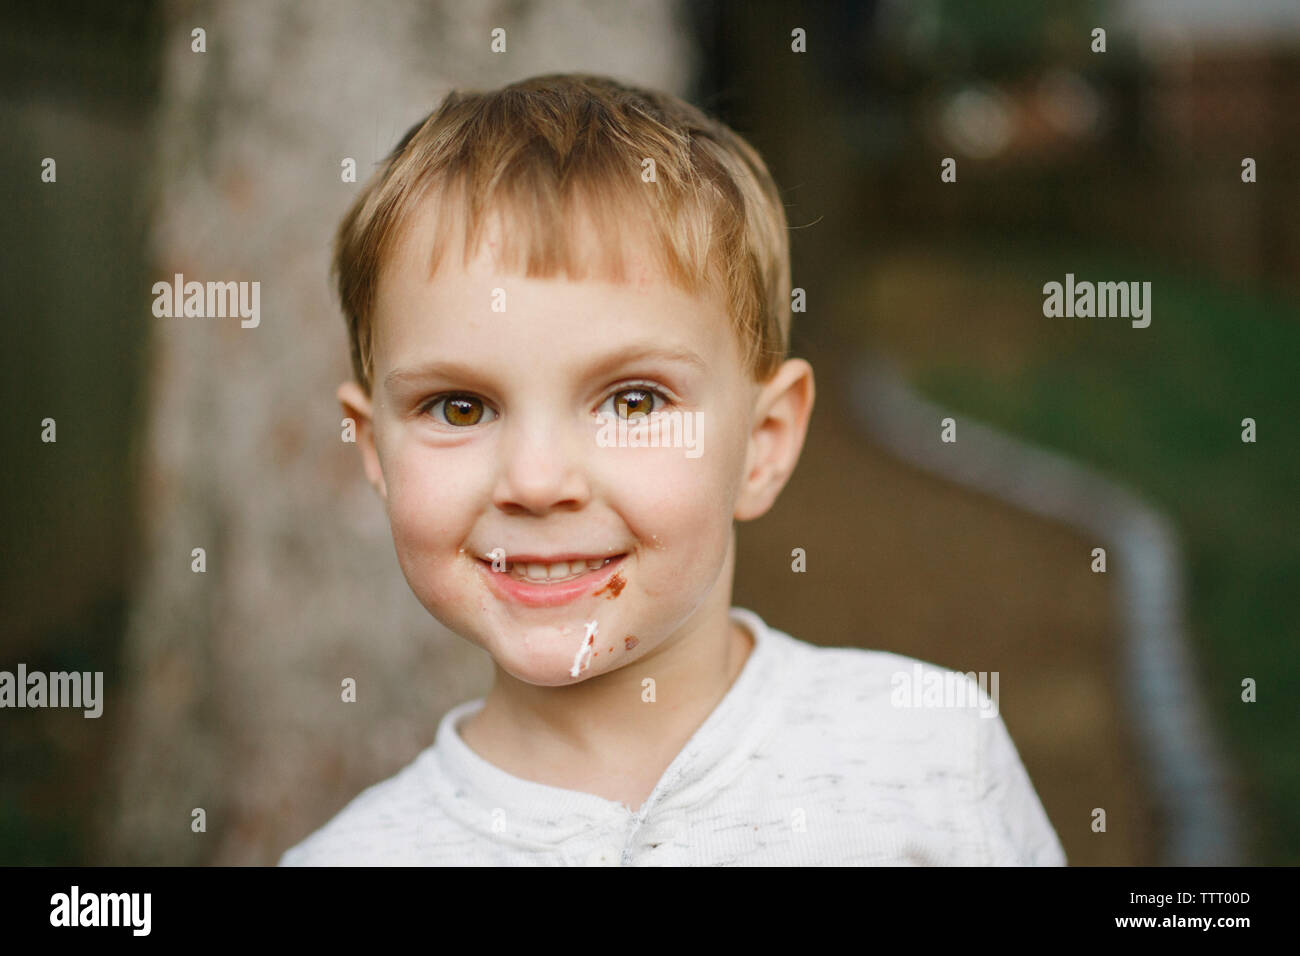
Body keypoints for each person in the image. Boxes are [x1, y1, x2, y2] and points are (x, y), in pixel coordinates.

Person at [279, 73, 1065, 865]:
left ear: (764, 441)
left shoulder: (931, 759)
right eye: (460, 408)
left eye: (631, 402)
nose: (538, 480)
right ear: (375, 449)